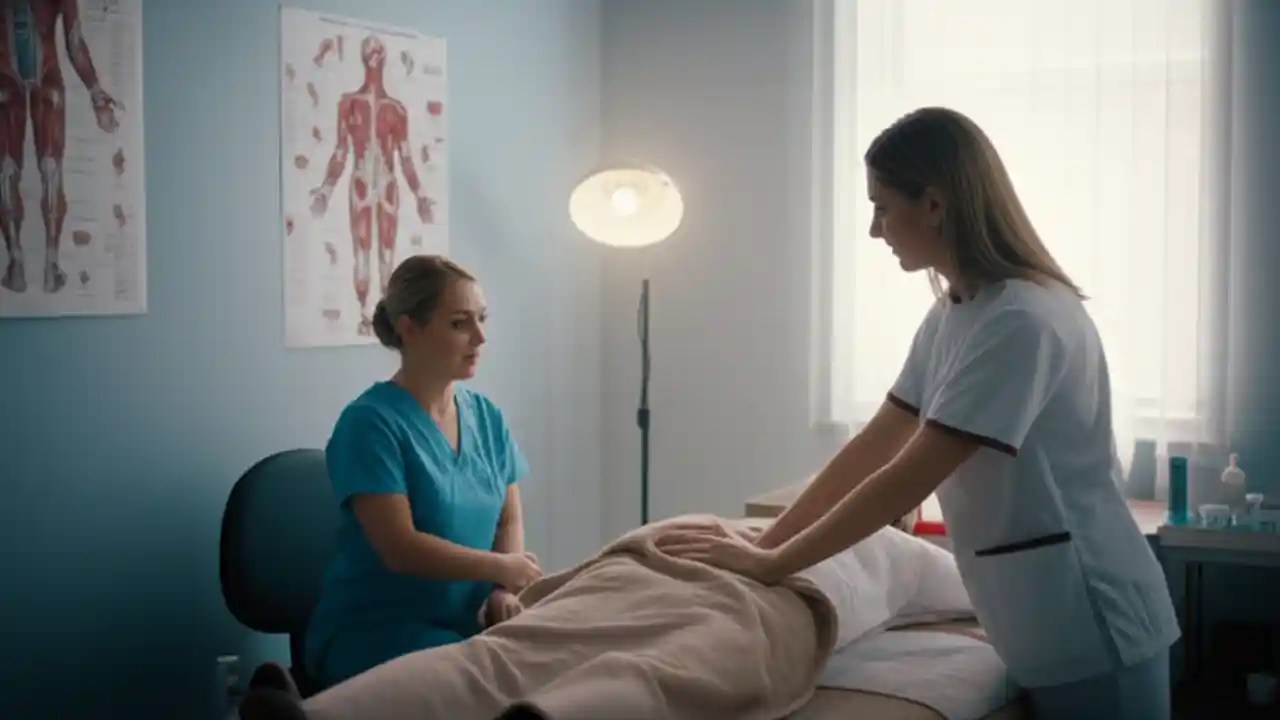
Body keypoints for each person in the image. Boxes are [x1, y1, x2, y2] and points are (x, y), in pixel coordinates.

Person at [657, 107, 1181, 720]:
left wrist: (775, 564)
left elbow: (908, 475)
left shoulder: (1021, 319)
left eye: (882, 207)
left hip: (1092, 618)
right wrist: (767, 544)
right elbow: (874, 444)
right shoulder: (955, 312)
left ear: (934, 203)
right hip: (1033, 612)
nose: (875, 230)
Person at [303, 254, 543, 689]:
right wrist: (502, 567)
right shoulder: (370, 424)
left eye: (482, 319)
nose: (480, 337)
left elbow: (508, 517)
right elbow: (401, 547)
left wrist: (502, 590)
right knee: (486, 684)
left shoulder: (486, 416)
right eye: (459, 323)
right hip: (375, 632)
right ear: (409, 328)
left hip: (464, 629)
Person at [309, 34, 435, 337]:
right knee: (363, 252)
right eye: (370, 51)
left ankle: (387, 321)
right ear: (364, 58)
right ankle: (365, 315)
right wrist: (325, 189)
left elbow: (405, 159)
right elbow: (341, 152)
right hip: (362, 182)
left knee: (387, 256)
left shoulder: (396, 110)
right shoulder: (349, 104)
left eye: (378, 51)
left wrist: (420, 196)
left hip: (388, 184)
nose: (374, 55)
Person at [0, 0, 120, 294]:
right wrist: (97, 97)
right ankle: (51, 266)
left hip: (5, 83)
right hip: (46, 80)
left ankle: (16, 263)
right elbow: (74, 43)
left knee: (5, 171)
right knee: (50, 170)